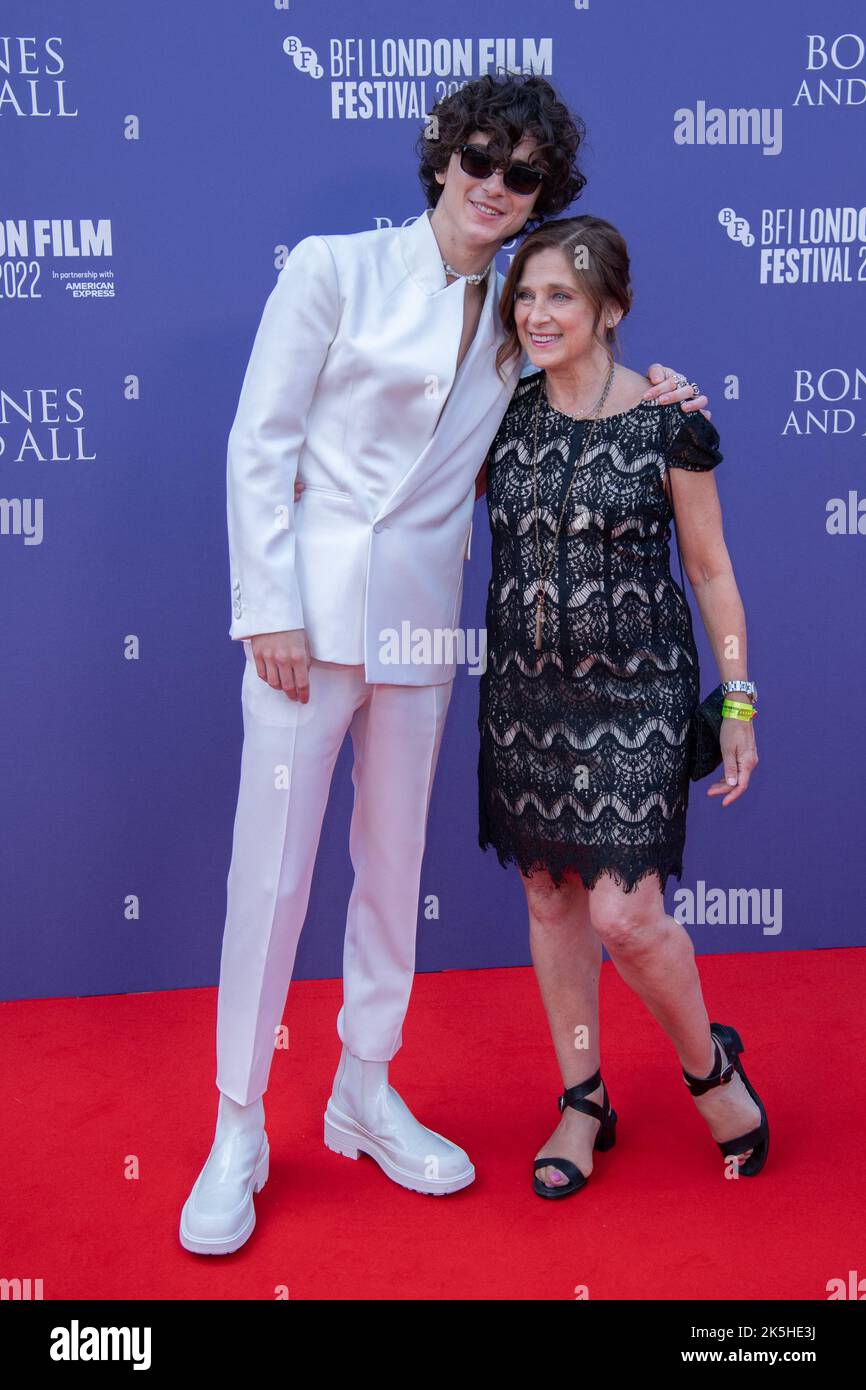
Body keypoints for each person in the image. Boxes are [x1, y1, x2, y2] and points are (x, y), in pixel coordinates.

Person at [179, 73, 709, 1255]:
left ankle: (365, 1089)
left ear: (540, 198)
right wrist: (265, 605)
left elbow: (586, 384)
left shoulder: (521, 314)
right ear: (442, 157)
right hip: (302, 629)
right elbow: (257, 440)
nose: (493, 184)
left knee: (389, 866)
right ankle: (238, 1122)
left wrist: (659, 393)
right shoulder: (331, 267)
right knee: (267, 880)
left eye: (522, 173)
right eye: (479, 156)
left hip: (421, 630)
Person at [476, 214, 767, 1199]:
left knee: (624, 915)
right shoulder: (497, 412)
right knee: (550, 897)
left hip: (634, 698)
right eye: (526, 294)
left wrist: (736, 695)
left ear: (611, 309)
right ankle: (583, 1096)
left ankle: (707, 1065)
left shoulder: (667, 419)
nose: (538, 311)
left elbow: (710, 570)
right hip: (525, 698)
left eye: (562, 293)